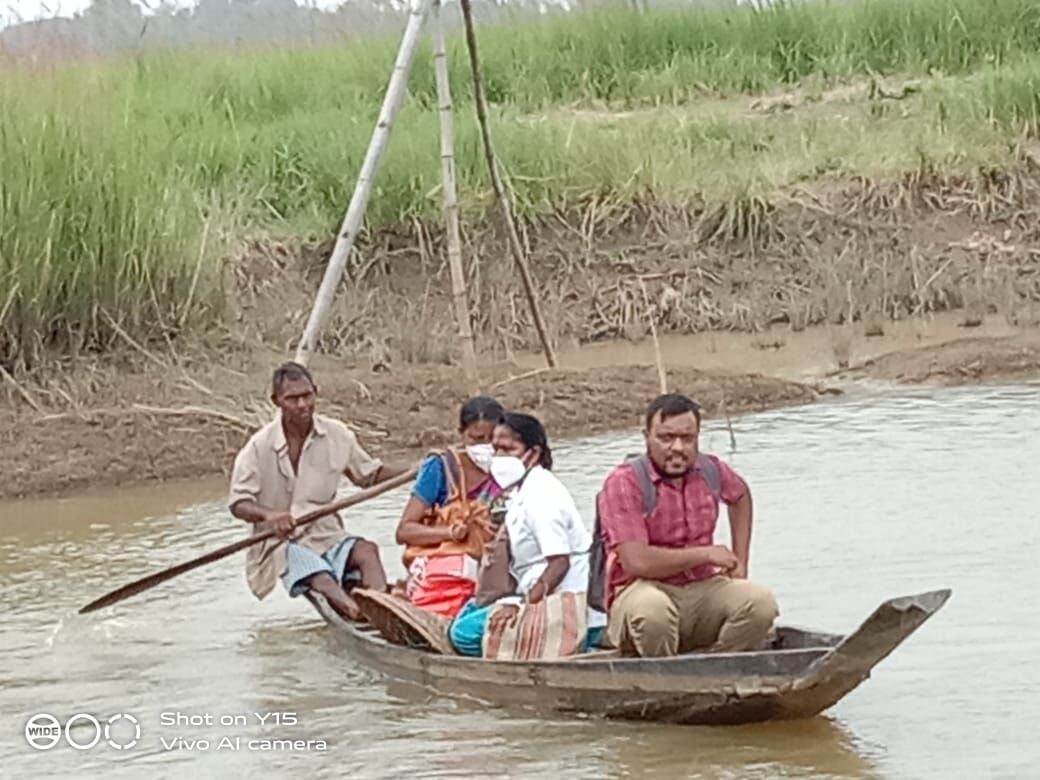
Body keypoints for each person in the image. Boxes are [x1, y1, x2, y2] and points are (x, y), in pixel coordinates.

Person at [596, 393, 778, 658]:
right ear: (647, 436)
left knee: (760, 603)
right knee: (652, 613)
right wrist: (705, 554)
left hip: (703, 586)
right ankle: (665, 677)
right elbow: (638, 562)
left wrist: (741, 562)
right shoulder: (624, 482)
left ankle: (718, 666)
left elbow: (740, 496)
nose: (678, 448)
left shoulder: (710, 470)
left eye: (687, 438)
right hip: (641, 589)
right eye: (666, 438)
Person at [228, 361, 408, 621]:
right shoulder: (258, 447)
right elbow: (238, 503)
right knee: (321, 577)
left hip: (325, 532)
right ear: (276, 400)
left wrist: (417, 469)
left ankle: (386, 608)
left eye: (306, 396)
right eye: (292, 398)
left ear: (316, 391)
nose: (302, 405)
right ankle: (355, 612)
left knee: (367, 550)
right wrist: (269, 516)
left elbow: (370, 475)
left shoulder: (337, 435)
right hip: (280, 542)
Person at [449, 412, 607, 659]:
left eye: (508, 450)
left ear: (533, 454)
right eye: (496, 449)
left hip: (568, 602)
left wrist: (523, 607)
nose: (498, 458)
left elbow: (559, 564)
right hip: (540, 590)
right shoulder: (525, 489)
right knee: (469, 611)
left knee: (463, 634)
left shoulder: (541, 497)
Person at [395, 395, 505, 618]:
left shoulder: (512, 464)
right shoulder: (441, 467)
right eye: (476, 439)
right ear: (461, 434)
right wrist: (450, 533)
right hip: (451, 561)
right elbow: (405, 531)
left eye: (492, 439)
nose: (485, 446)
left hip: (498, 561)